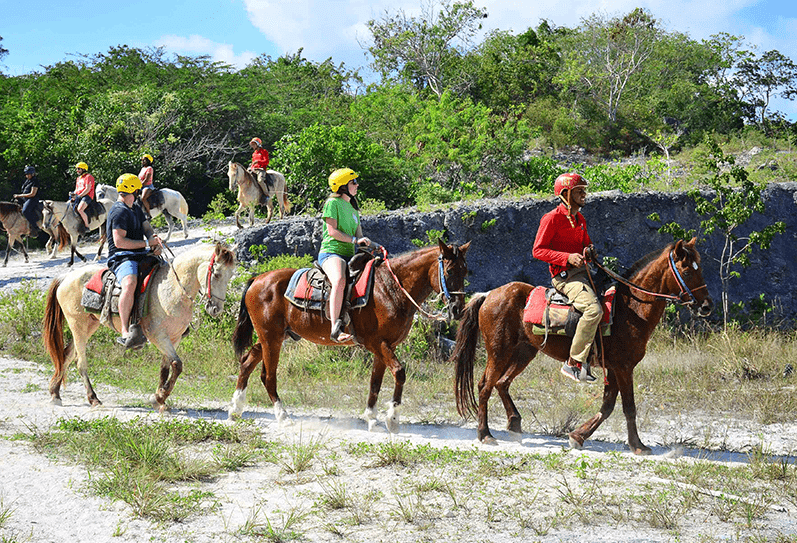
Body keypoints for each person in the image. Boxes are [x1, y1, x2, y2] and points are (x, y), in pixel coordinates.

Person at [532, 172, 601, 383]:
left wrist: (588, 252)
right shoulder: (551, 218)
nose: (584, 195)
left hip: (584, 272)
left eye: (584, 191)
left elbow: (585, 245)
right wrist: (567, 258)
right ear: (565, 194)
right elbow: (538, 250)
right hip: (564, 277)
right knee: (592, 309)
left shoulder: (580, 219)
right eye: (579, 191)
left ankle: (593, 359)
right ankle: (573, 363)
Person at [106, 173, 163, 349]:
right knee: (130, 283)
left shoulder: (135, 207)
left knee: (166, 270)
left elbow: (146, 227)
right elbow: (119, 242)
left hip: (140, 253)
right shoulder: (119, 211)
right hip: (121, 257)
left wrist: (154, 239)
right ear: (135, 190)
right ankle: (125, 331)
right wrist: (147, 243)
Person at [319, 168, 372, 342]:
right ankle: (336, 328)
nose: (357, 185)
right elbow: (332, 231)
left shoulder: (353, 209)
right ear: (342, 186)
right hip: (331, 252)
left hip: (350, 254)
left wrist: (374, 246)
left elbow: (359, 236)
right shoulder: (332, 204)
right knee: (340, 280)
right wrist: (355, 241)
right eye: (353, 182)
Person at [13, 165, 42, 236]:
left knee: (25, 210)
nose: (27, 175)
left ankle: (35, 227)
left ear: (32, 174)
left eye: (28, 174)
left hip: (32, 199)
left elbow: (32, 194)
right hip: (25, 198)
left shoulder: (35, 181)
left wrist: (19, 195)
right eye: (26, 174)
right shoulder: (27, 181)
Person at [72, 162, 95, 231]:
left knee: (80, 209)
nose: (77, 170)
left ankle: (86, 226)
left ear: (84, 169)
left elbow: (87, 189)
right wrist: (73, 194)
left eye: (78, 169)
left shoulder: (89, 177)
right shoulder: (78, 178)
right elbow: (77, 189)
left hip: (87, 196)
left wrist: (79, 195)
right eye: (77, 169)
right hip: (79, 195)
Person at [138, 153, 155, 218]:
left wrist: (140, 185)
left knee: (143, 198)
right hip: (141, 186)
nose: (143, 161)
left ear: (148, 161)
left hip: (148, 186)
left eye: (144, 160)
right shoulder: (142, 169)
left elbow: (146, 180)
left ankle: (149, 213)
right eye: (142, 160)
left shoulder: (149, 168)